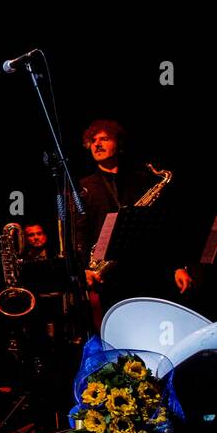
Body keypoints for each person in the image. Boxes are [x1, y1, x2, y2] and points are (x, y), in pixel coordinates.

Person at [75, 119, 192, 312]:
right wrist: (84, 270)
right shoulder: (83, 186)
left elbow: (163, 229)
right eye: (93, 140)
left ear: (119, 144)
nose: (97, 144)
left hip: (147, 269)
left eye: (104, 138)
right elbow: (80, 232)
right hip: (107, 275)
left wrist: (177, 267)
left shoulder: (143, 179)